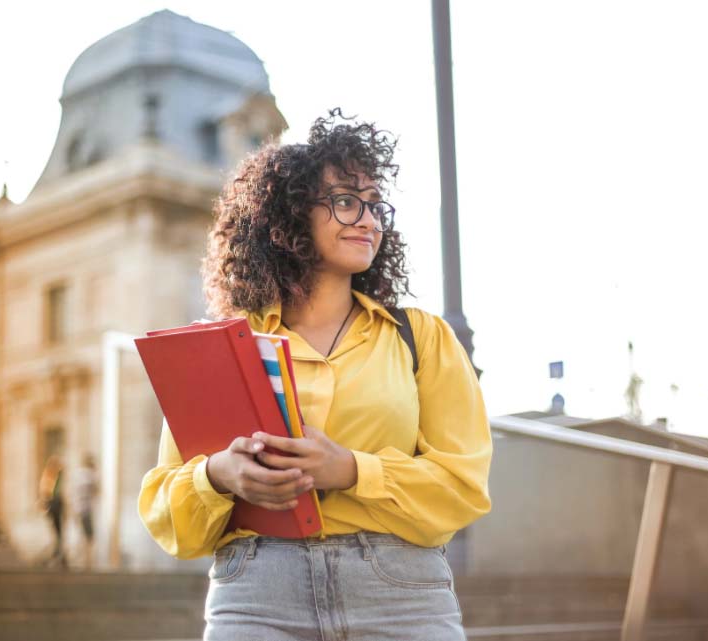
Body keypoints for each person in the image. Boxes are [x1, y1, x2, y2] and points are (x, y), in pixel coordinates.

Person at [138, 109, 492, 640]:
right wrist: (218, 476)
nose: (369, 220)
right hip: (256, 593)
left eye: (375, 205)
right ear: (288, 216)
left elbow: (463, 488)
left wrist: (351, 469)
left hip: (399, 593)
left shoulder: (421, 337)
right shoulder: (224, 348)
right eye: (347, 201)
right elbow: (169, 515)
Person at [38, 455, 67, 568]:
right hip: (54, 504)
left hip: (55, 504)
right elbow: (46, 492)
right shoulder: (51, 477)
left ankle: (58, 552)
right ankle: (57, 552)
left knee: (57, 531)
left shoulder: (52, 476)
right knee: (57, 531)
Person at [71, 453, 99, 569]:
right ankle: (87, 562)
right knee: (89, 537)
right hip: (86, 509)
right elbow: (96, 490)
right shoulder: (89, 475)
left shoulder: (77, 474)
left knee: (82, 535)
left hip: (77, 508)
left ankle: (82, 561)